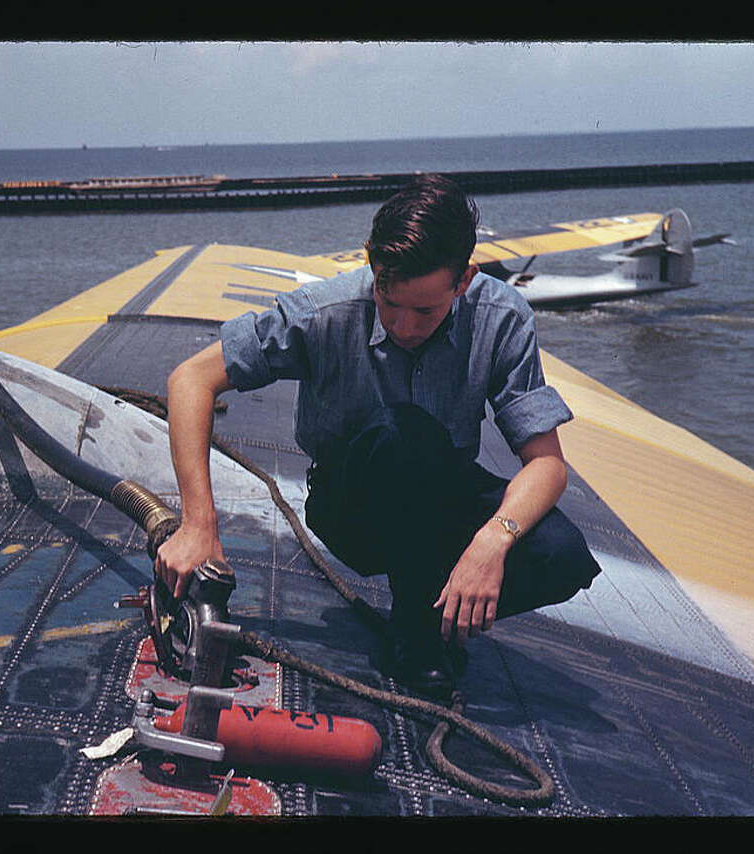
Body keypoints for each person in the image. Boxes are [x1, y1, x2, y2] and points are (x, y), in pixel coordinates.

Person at [156, 174, 601, 698]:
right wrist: (198, 523)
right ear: (372, 268)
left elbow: (547, 465)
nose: (404, 326)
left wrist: (491, 542)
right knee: (400, 433)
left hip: (441, 490)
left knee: (561, 555)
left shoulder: (502, 318)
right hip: (355, 505)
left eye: (425, 311)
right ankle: (420, 635)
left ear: (464, 281)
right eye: (389, 303)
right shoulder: (325, 312)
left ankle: (425, 617)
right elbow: (192, 379)